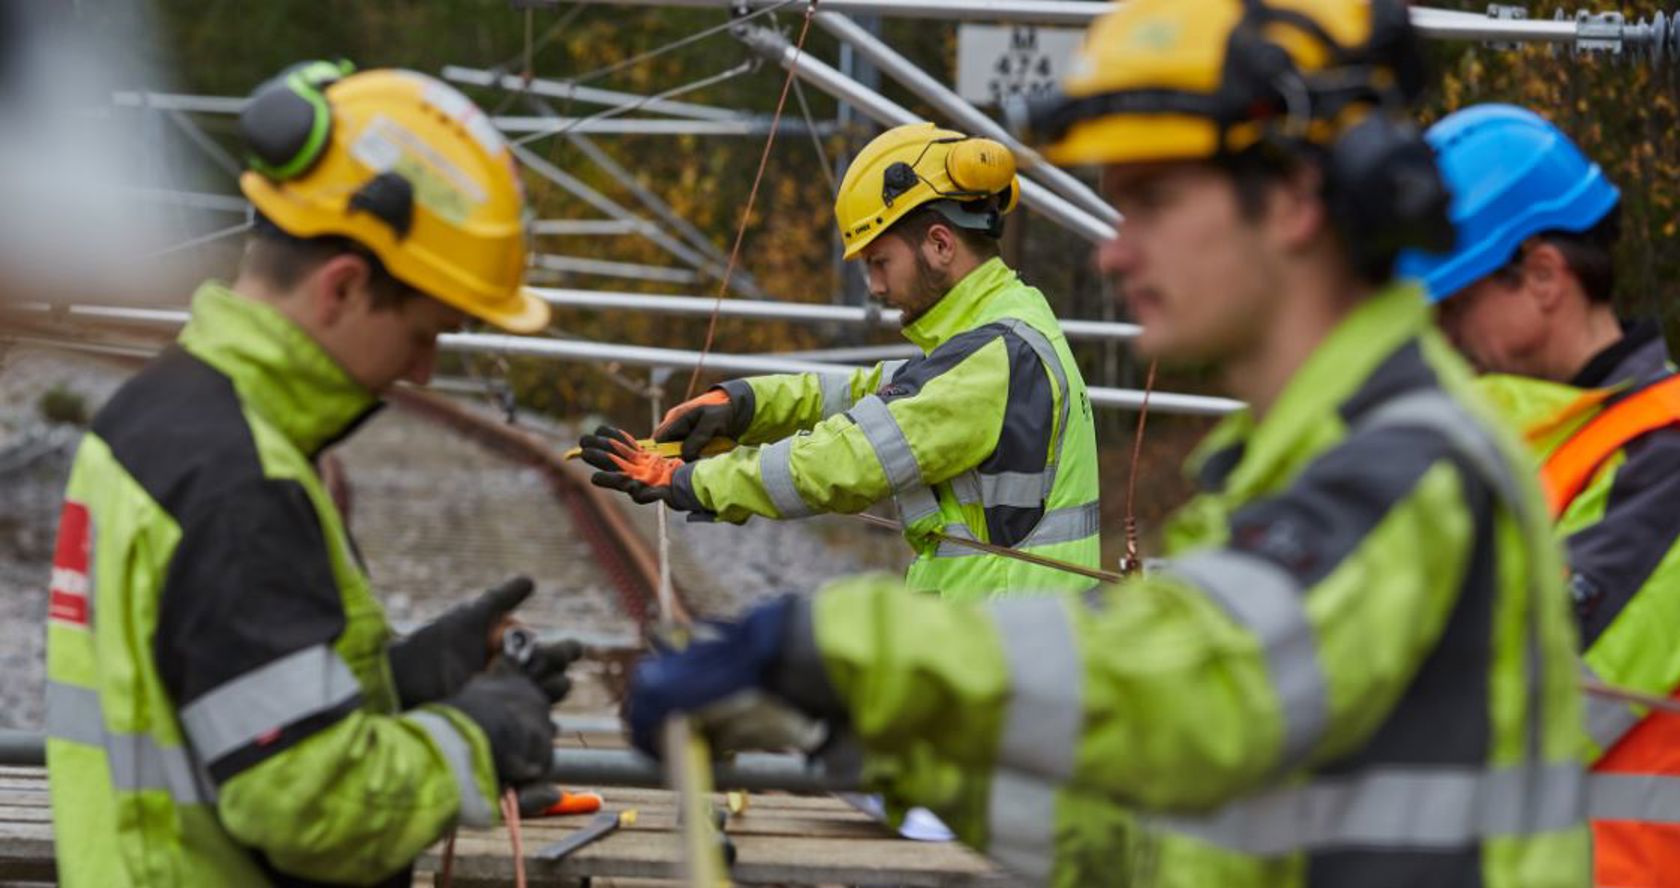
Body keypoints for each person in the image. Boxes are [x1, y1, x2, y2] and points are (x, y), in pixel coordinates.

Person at [621, 1, 1590, 885]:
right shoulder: (1309, 463)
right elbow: (1157, 840)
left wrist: (832, 654)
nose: (1115, 251)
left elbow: (1182, 686)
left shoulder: (1406, 471)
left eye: (1154, 203)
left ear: (1295, 199)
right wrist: (863, 731)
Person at [45, 62, 576, 886]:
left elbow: (222, 697)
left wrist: (414, 674)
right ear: (345, 287)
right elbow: (309, 805)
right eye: (426, 334)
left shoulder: (160, 415)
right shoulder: (239, 481)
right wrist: (480, 738)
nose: (424, 370)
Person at [579, 122, 1100, 600]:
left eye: (880, 262)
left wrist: (692, 482)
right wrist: (745, 405)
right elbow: (862, 393)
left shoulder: (991, 355)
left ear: (940, 244)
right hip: (1012, 630)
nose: (874, 287)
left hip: (1003, 643)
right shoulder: (1003, 328)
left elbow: (849, 458)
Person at [1398, 103, 1680, 886]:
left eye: (1454, 306)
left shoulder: (1663, 461)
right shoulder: (1539, 443)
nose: (1446, 338)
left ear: (1546, 276)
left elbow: (1526, 709)